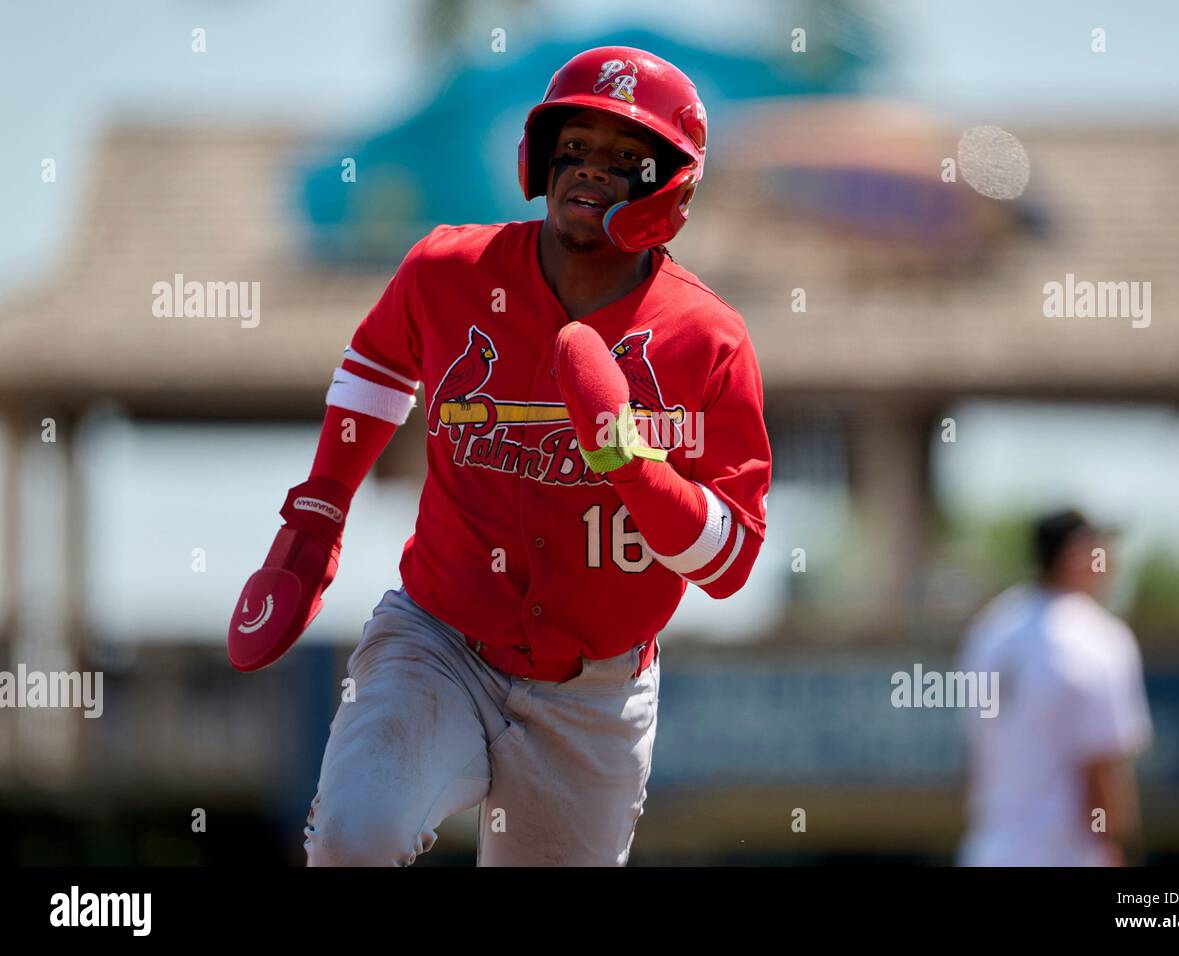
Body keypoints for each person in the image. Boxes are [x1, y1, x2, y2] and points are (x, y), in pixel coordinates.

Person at [226, 46, 771, 866]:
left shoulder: (710, 340)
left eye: (627, 158)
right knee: (354, 838)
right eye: (574, 148)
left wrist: (633, 467)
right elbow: (375, 366)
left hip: (596, 691)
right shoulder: (448, 268)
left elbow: (731, 560)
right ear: (538, 158)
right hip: (439, 640)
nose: (590, 171)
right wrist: (315, 522)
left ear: (672, 185)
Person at [956, 509, 1153, 866]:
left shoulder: (990, 629)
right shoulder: (1096, 637)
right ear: (1075, 556)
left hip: (991, 848)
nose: (1109, 561)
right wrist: (1111, 846)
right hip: (1066, 852)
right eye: (1099, 548)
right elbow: (1100, 765)